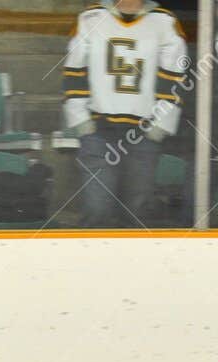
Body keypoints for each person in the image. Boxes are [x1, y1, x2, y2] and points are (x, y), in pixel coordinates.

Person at [62, 0, 187, 228]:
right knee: (97, 208)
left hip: (143, 133)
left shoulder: (165, 21)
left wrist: (161, 123)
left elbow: (175, 76)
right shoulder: (90, 18)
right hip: (99, 131)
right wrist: (81, 119)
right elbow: (74, 70)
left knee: (137, 211)